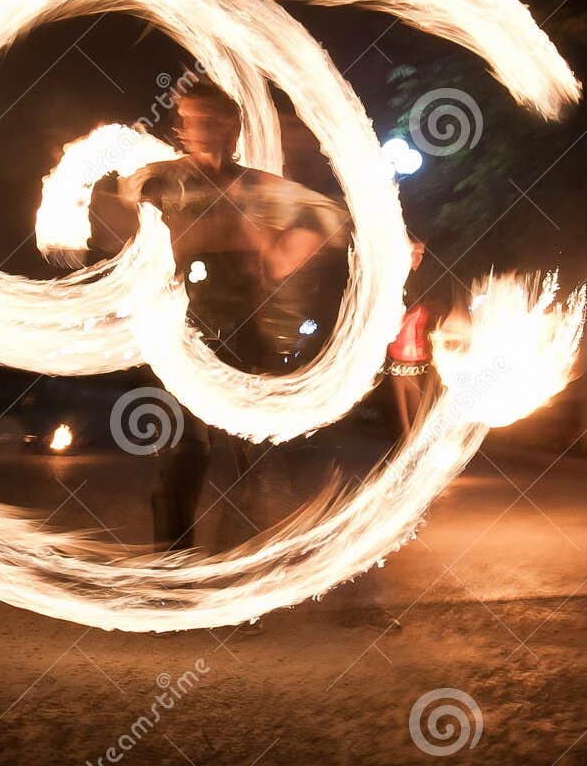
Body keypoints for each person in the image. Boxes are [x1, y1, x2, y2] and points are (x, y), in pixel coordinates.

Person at [91, 80, 346, 553]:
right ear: (181, 127)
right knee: (185, 454)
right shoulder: (158, 180)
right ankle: (176, 572)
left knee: (256, 455)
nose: (198, 130)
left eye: (211, 121)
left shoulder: (256, 187)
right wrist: (238, 232)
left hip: (244, 329)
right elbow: (145, 237)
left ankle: (245, 573)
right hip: (180, 333)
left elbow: (326, 218)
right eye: (189, 120)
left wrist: (393, 243)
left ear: (233, 128)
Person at [385, 238, 435, 436]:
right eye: (414, 252)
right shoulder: (398, 280)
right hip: (399, 353)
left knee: (416, 406)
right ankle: (408, 442)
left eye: (421, 254)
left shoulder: (417, 280)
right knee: (405, 409)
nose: (418, 258)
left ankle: (412, 442)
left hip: (415, 355)